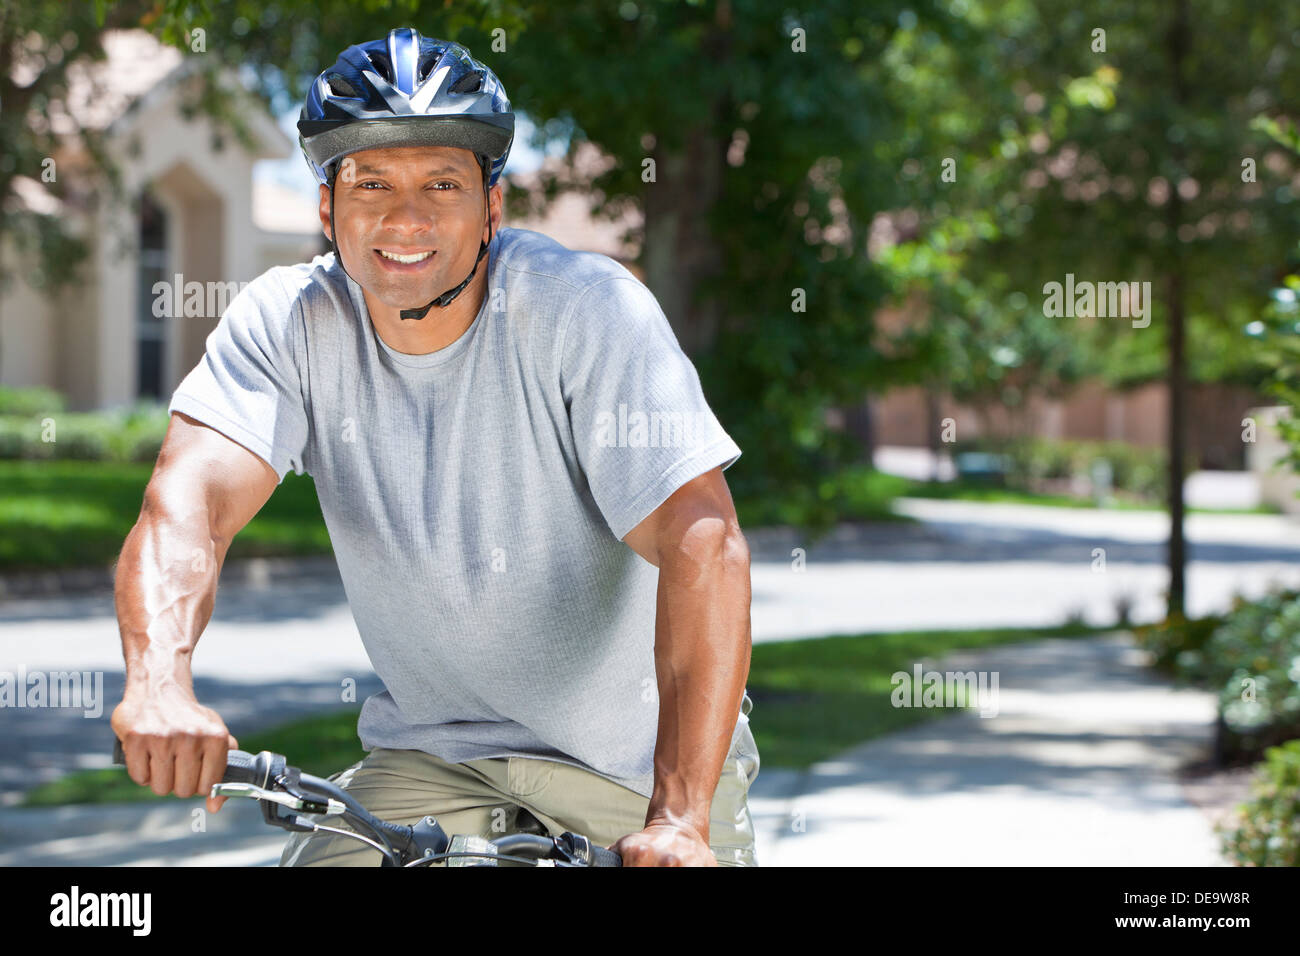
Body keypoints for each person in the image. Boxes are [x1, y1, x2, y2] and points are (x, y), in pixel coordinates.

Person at [110, 28, 759, 867]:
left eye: (442, 184)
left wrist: (679, 817)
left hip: (634, 767)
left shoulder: (583, 311)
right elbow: (187, 505)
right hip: (434, 761)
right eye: (370, 181)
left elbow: (703, 542)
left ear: (492, 207)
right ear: (326, 209)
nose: (405, 216)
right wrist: (159, 683)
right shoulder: (290, 323)